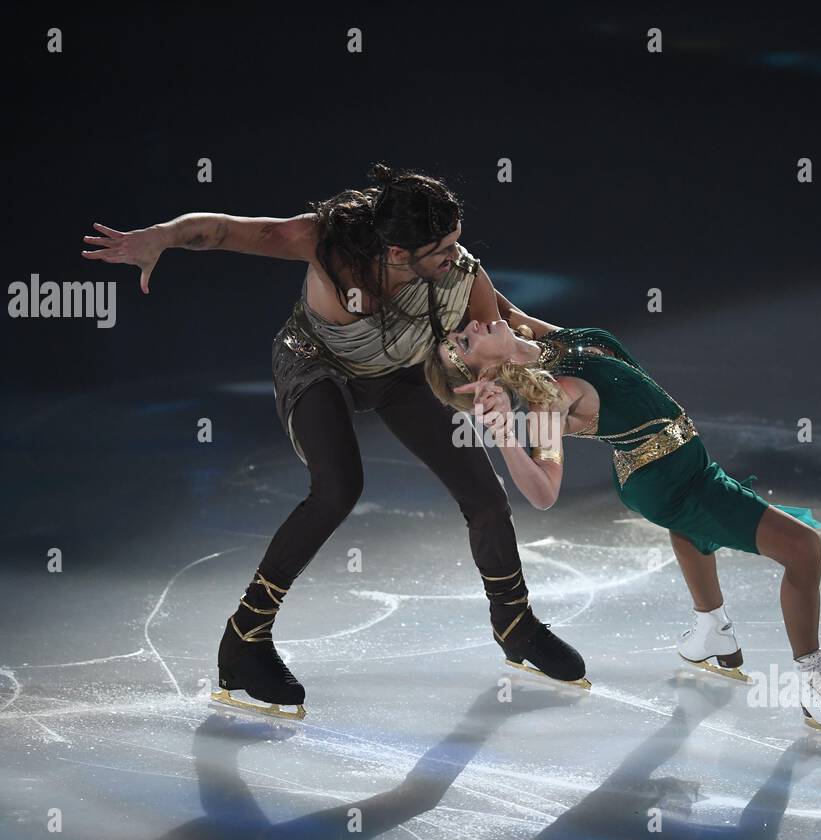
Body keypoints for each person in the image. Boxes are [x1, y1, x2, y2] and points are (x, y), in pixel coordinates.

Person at [81, 163, 588, 718]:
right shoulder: (326, 242)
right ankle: (244, 639)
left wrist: (549, 366)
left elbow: (502, 341)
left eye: (455, 243)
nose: (456, 258)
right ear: (397, 253)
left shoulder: (463, 276)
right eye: (442, 250)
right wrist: (164, 236)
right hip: (316, 365)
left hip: (401, 374)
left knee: (485, 497)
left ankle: (514, 623)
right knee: (338, 487)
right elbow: (227, 229)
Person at [424, 317, 821, 741]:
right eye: (464, 342)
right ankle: (813, 676)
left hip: (681, 464)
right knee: (803, 548)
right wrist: (503, 433)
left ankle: (711, 627)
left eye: (463, 330)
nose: (474, 325)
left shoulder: (535, 338)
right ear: (486, 374)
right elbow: (543, 492)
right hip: (667, 483)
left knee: (692, 529)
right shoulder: (549, 400)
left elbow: (480, 282)